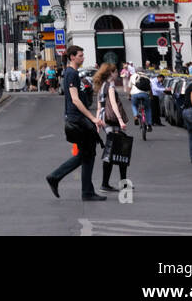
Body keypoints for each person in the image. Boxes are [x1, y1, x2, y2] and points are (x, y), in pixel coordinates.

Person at [45, 45, 105, 201]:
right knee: (87, 154)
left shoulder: (73, 73)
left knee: (87, 154)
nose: (82, 58)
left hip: (78, 119)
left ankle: (85, 190)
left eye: (83, 55)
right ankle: (57, 177)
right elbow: (75, 100)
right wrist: (92, 118)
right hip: (77, 120)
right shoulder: (71, 74)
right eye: (80, 55)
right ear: (72, 57)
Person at [94, 63, 130, 193]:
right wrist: (121, 121)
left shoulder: (101, 86)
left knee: (113, 150)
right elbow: (114, 104)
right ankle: (113, 183)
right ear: (111, 73)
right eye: (116, 72)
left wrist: (97, 122)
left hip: (105, 119)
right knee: (120, 150)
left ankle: (111, 183)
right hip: (112, 120)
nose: (117, 74)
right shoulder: (110, 86)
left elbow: (99, 107)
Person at [130, 67, 153, 132]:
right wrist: (151, 96)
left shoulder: (132, 76)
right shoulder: (147, 76)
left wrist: (129, 95)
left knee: (134, 105)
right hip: (145, 95)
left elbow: (130, 87)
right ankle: (149, 124)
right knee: (148, 108)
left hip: (135, 94)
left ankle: (136, 115)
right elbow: (150, 88)